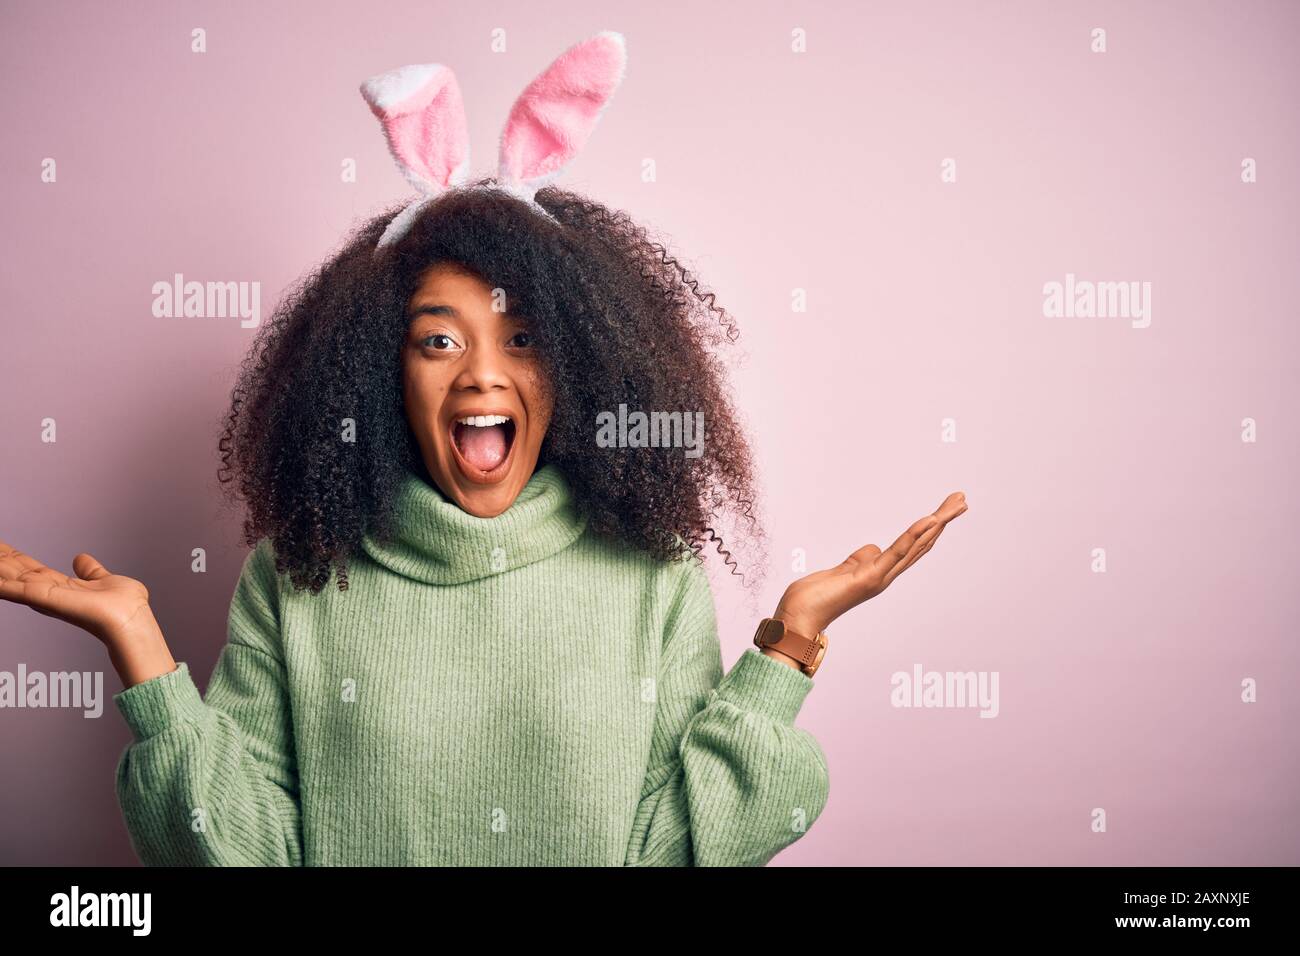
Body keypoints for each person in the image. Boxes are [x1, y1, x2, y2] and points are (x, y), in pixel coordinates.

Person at [0, 33, 967, 866]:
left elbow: (674, 848)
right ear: (378, 370)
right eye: (438, 340)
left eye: (521, 337)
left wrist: (790, 641)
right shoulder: (294, 579)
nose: (481, 377)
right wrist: (141, 649)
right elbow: (240, 851)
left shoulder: (649, 576)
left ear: (578, 364)